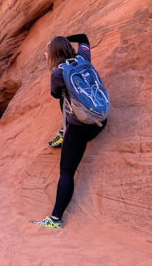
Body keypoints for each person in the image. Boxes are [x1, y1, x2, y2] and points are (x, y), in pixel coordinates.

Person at [32, 33, 107, 229]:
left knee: (66, 171)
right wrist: (63, 39)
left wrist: (56, 64)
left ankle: (55, 219)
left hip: (81, 127)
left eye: (48, 51)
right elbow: (83, 37)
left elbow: (55, 93)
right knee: (68, 96)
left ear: (53, 53)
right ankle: (64, 131)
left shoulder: (57, 73)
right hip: (101, 117)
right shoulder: (84, 58)